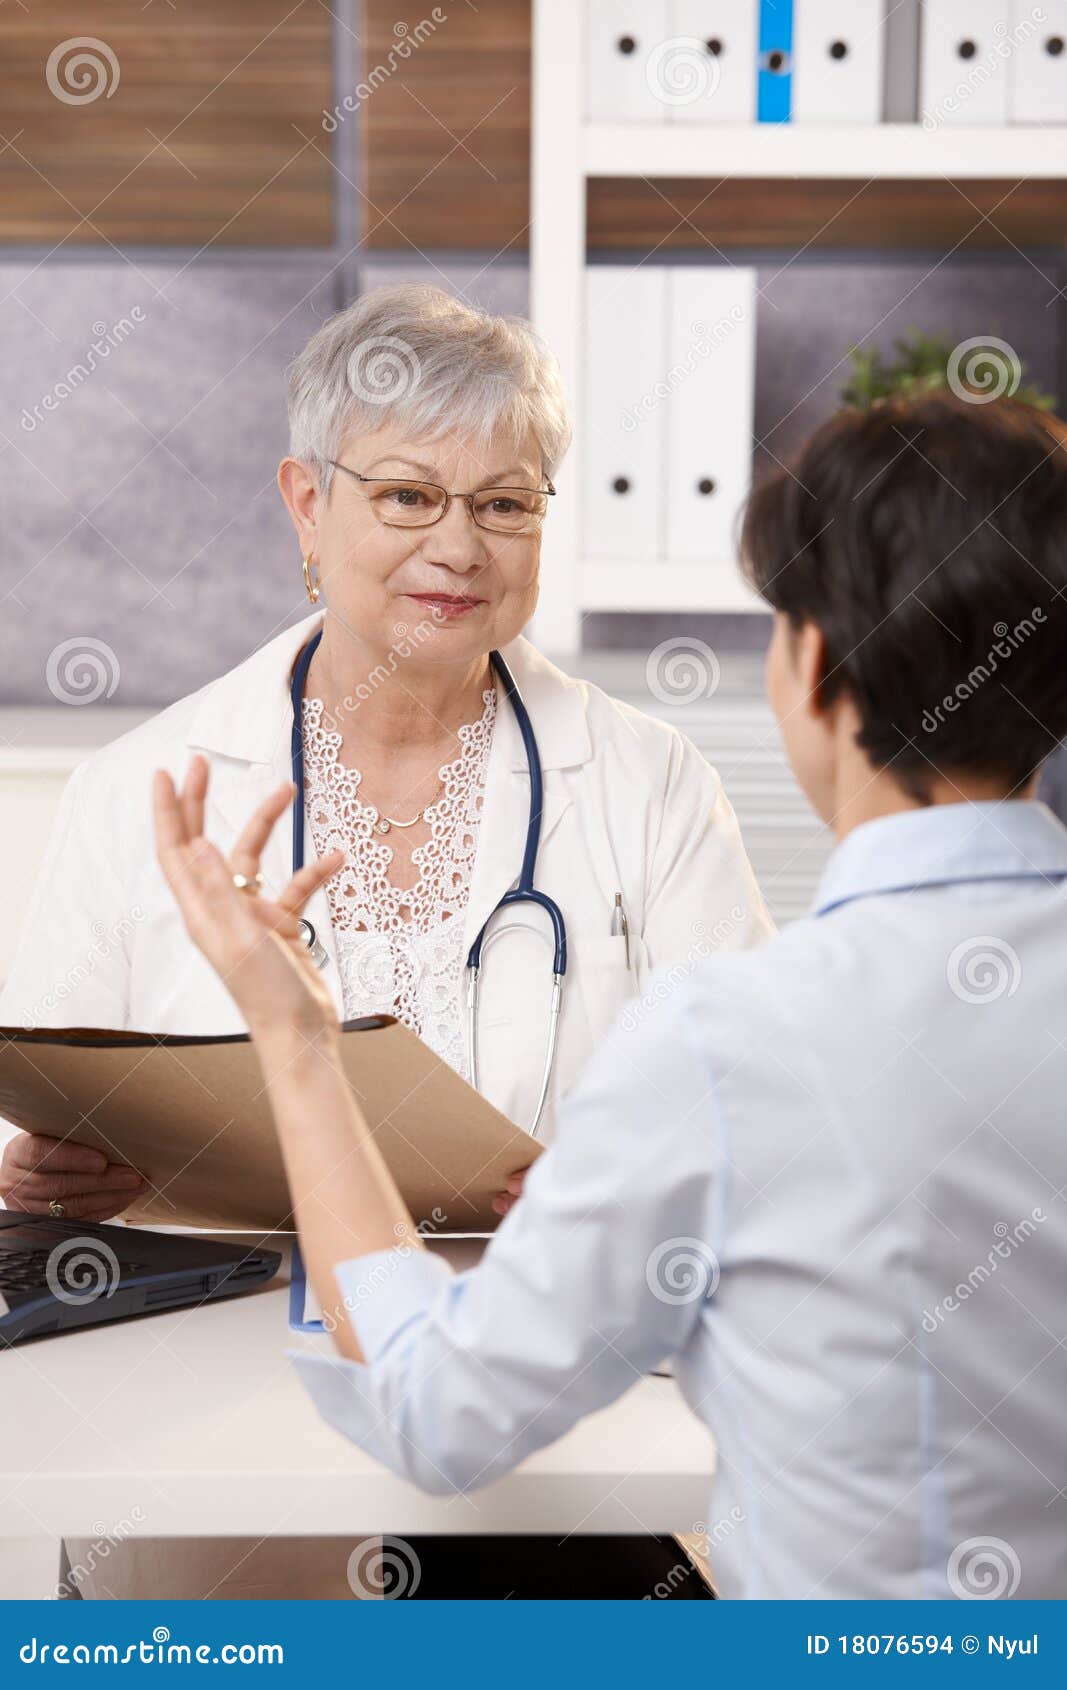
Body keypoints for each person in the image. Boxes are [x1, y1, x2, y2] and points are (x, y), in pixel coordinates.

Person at [154, 389, 1067, 1598]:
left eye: (502, 503)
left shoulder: (733, 1042)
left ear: (807, 666)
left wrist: (296, 1037)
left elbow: (439, 1414)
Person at [0, 283, 769, 1598]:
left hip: (536, 1415)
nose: (458, 546)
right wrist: (33, 1178)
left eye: (505, 502)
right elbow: (35, 1097)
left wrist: (635, 1189)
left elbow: (756, 1114)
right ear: (307, 504)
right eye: (409, 495)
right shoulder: (149, 784)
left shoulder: (645, 781)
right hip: (205, 1431)